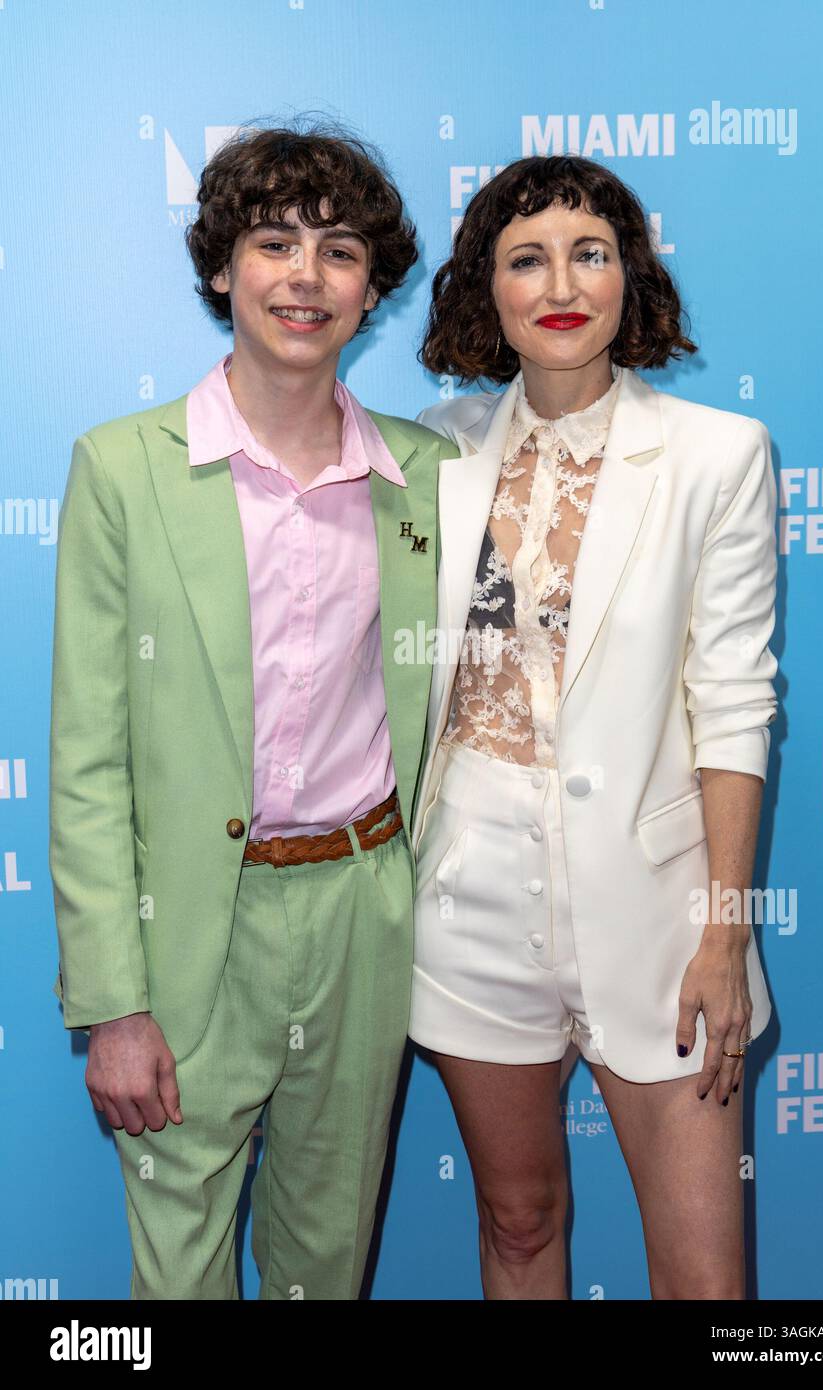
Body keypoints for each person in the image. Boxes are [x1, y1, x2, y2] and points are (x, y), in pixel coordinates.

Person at [48, 119, 458, 1300]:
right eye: (274, 242)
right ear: (222, 267)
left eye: (339, 251)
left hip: (360, 915)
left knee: (323, 1264)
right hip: (185, 929)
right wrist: (113, 1002)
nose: (305, 275)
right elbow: (86, 761)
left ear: (372, 288)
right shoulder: (123, 468)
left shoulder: (428, 477)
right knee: (177, 1270)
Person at [408, 154, 779, 1300]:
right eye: (527, 258)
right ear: (489, 290)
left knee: (705, 1280)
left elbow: (734, 700)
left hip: (665, 924)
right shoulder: (436, 450)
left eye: (590, 252)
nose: (562, 282)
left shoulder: (718, 454)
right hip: (467, 908)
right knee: (518, 1225)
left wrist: (724, 931)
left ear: (632, 277)